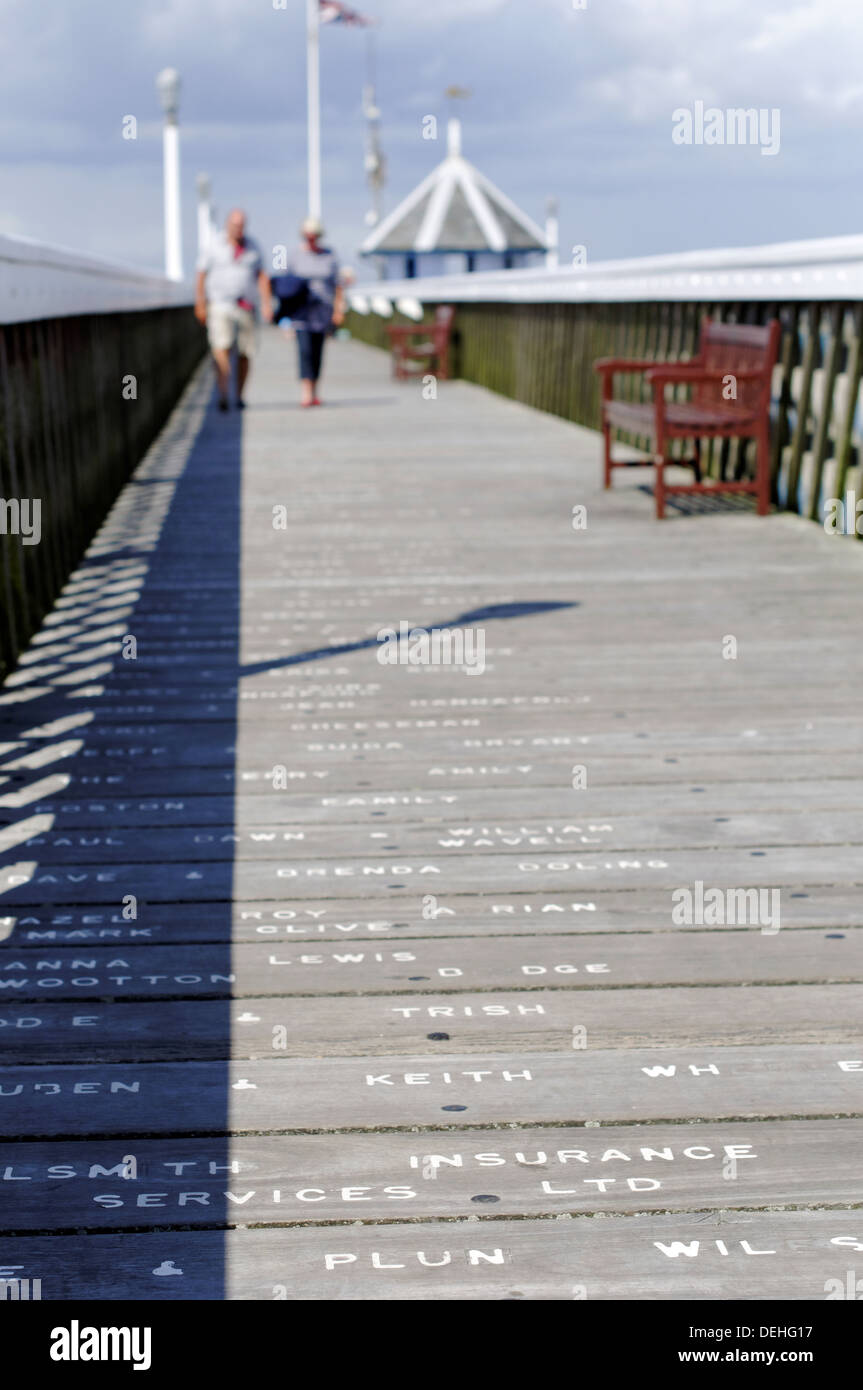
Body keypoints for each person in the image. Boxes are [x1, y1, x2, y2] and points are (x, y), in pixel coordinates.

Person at [195, 208, 273, 411]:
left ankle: (238, 395)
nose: (238, 229)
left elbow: (262, 275)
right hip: (220, 304)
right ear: (227, 225)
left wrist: (266, 303)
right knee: (221, 346)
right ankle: (223, 392)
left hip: (246, 305)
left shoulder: (253, 246)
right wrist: (200, 302)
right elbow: (201, 274)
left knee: (246, 352)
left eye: (242, 225)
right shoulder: (213, 245)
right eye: (235, 225)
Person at [282, 217, 345, 407]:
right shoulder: (294, 256)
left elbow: (338, 284)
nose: (311, 239)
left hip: (323, 309)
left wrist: (338, 309)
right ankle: (306, 393)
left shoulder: (330, 255)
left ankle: (315, 390)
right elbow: (286, 287)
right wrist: (285, 318)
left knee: (317, 350)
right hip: (301, 310)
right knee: (305, 349)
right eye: (308, 236)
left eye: (314, 236)